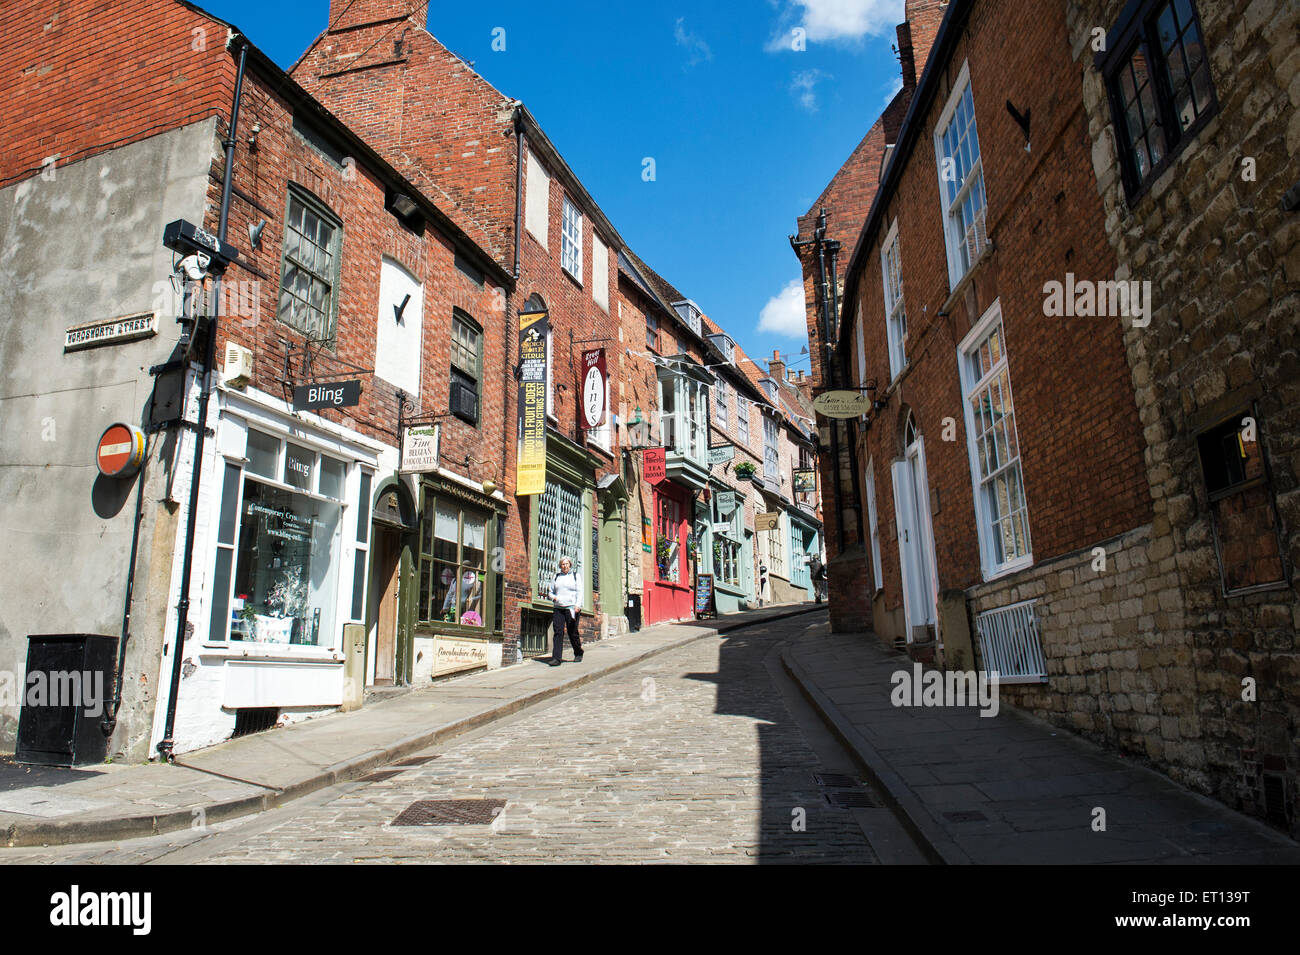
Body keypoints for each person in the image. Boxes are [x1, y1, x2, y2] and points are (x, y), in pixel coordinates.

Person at [546, 555, 583, 666]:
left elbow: (580, 592)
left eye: (566, 563)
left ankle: (578, 652)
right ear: (560, 566)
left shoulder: (576, 576)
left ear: (570, 565)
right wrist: (554, 598)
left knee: (572, 632)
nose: (565, 566)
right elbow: (550, 592)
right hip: (558, 608)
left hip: (571, 608)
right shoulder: (556, 577)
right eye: (563, 564)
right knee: (558, 632)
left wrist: (578, 605)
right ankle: (556, 658)